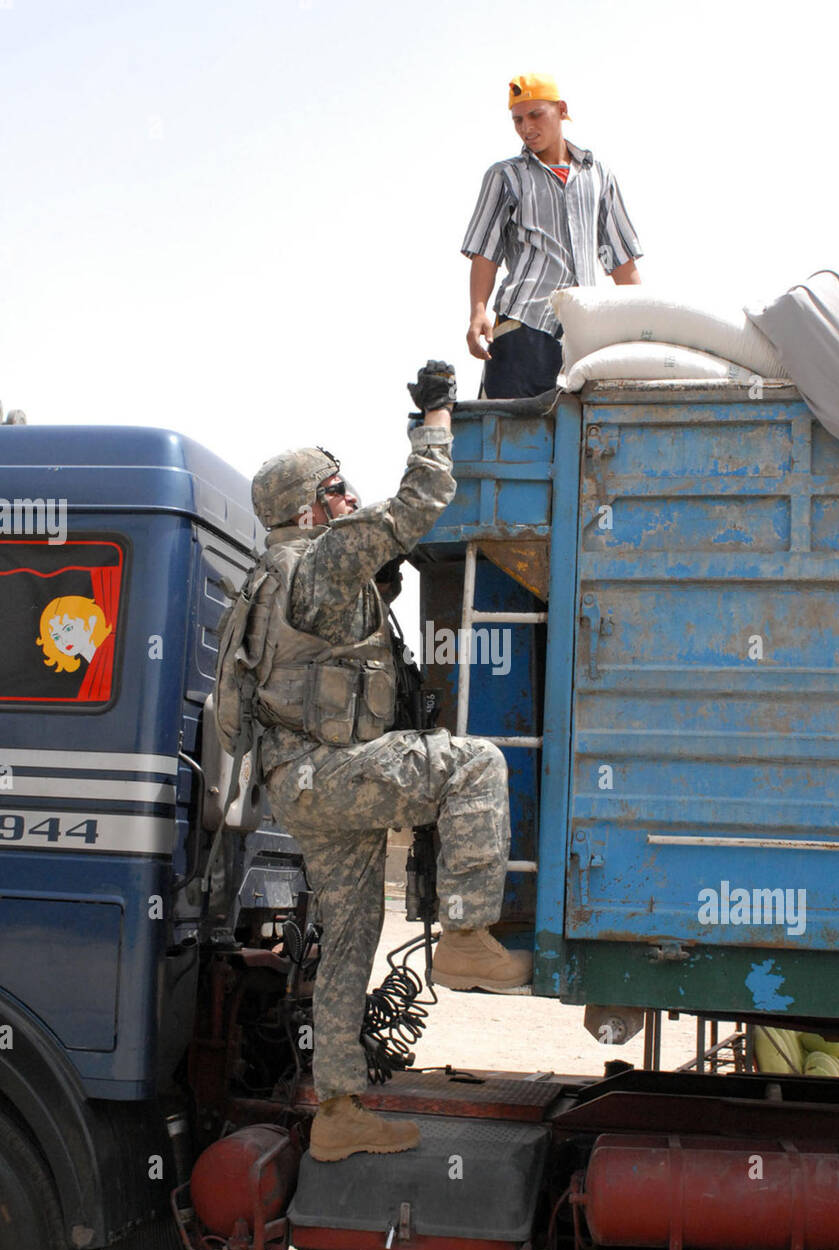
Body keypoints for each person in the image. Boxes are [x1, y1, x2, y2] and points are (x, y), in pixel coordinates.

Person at [246, 362, 532, 1163]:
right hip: (330, 773)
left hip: (301, 781)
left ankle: (337, 1112)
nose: (348, 496)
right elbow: (420, 502)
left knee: (350, 937)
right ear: (308, 507)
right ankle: (468, 936)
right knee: (474, 765)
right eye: (336, 489)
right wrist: (434, 420)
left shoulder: (269, 577)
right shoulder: (325, 557)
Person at [462, 72, 643, 399]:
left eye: (535, 115)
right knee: (516, 439)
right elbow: (485, 253)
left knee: (582, 438)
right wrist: (478, 312)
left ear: (561, 109)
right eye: (517, 120)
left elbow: (619, 257)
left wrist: (647, 322)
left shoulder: (598, 175)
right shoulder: (506, 176)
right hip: (525, 328)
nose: (526, 127)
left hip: (583, 335)